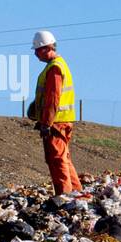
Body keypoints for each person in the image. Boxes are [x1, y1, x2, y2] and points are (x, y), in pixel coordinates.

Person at [26, 30, 82, 197]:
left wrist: (46, 123)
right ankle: (77, 194)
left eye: (37, 50)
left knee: (57, 160)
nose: (36, 54)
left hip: (56, 123)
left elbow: (53, 98)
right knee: (64, 159)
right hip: (62, 121)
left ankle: (64, 196)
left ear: (46, 48)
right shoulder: (59, 65)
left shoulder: (54, 68)